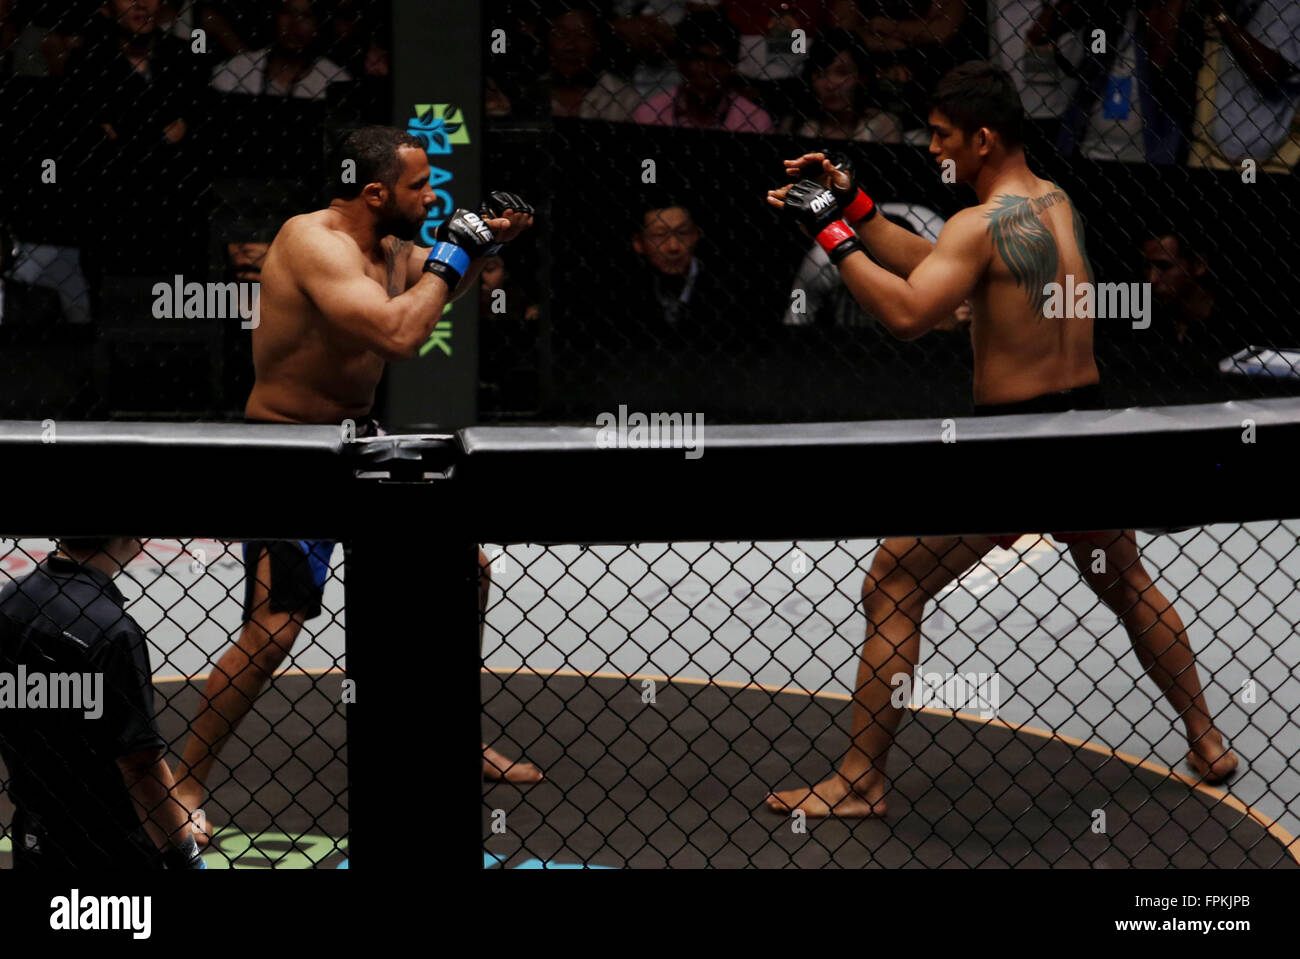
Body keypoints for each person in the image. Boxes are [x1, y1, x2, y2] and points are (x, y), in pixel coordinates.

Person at [763, 61, 1237, 817]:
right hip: (1081, 428)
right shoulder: (1053, 201)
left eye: (944, 137)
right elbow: (944, 270)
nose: (933, 150)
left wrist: (828, 226)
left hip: (1016, 445)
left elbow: (912, 313)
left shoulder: (978, 224)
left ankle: (859, 779)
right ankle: (1208, 737)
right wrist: (853, 202)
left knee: (893, 580)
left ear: (982, 137)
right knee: (1127, 583)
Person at [170, 125, 541, 846]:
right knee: (274, 630)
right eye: (419, 186)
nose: (433, 197)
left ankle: (454, 735)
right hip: (290, 450)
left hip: (361, 440)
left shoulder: (391, 249)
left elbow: (431, 294)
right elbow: (400, 337)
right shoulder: (314, 244)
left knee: (467, 572)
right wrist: (457, 249)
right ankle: (183, 781)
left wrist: (486, 245)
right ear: (376, 192)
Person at [0, 536, 204, 869]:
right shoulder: (113, 631)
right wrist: (186, 856)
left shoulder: (11, 599)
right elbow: (140, 764)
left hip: (34, 828)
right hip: (110, 844)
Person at [633, 7, 772, 132]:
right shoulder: (649, 115)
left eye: (720, 61)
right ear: (682, 62)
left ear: (732, 66)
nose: (709, 70)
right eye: (700, 59)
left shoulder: (755, 121)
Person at [210, 0, 350, 100]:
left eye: (305, 16)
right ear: (275, 17)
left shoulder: (335, 79)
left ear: (317, 25)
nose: (294, 24)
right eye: (287, 12)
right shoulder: (236, 70)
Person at [779, 30, 902, 142]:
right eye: (821, 74)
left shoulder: (883, 125)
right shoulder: (795, 125)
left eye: (842, 72)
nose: (830, 85)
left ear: (861, 77)